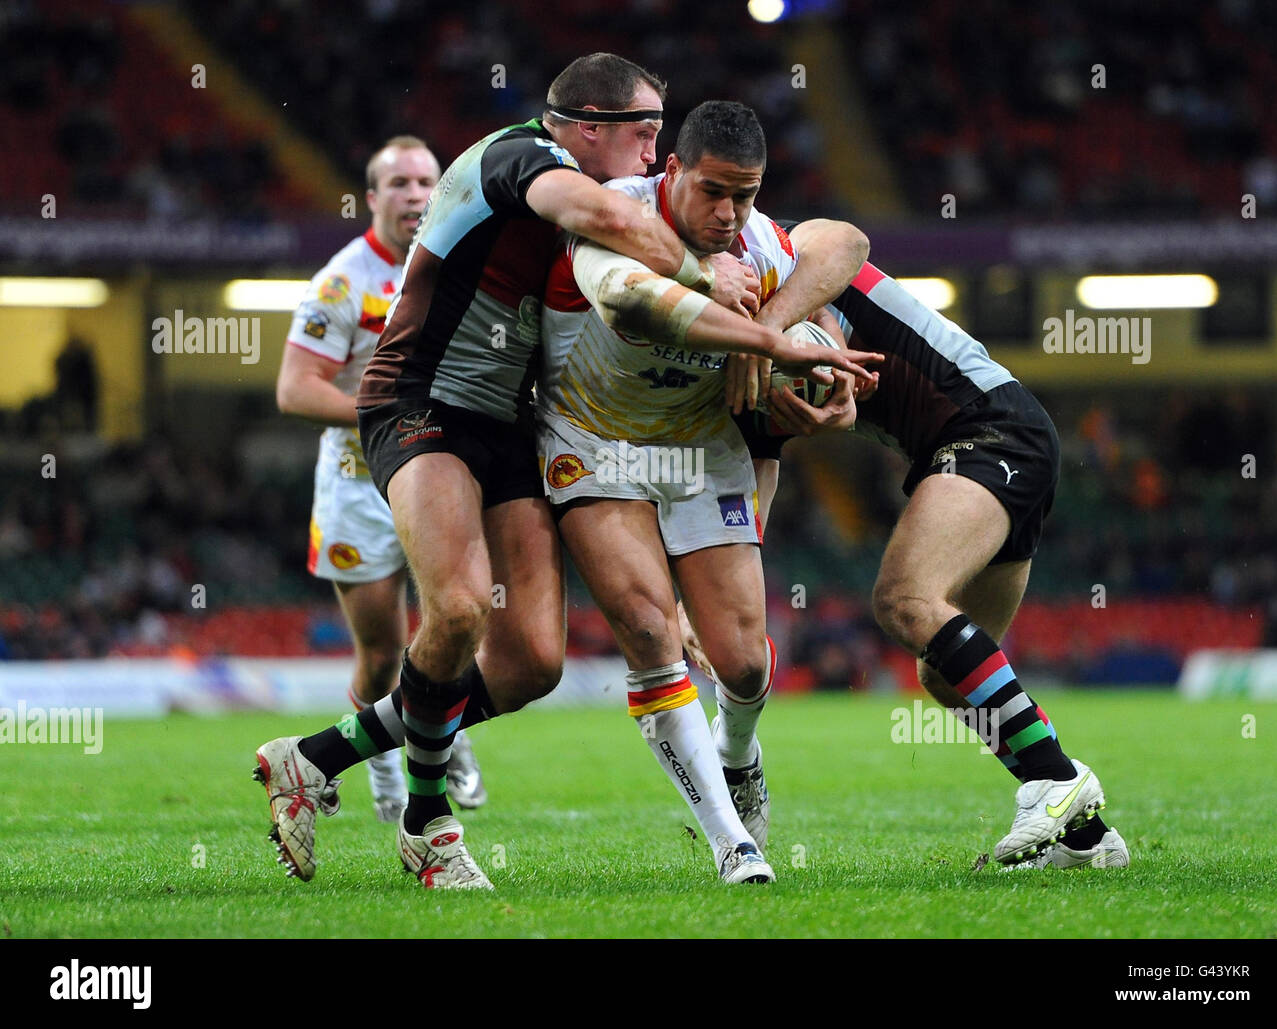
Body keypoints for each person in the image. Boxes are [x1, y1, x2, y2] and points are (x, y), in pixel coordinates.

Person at [253, 53, 860, 890]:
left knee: (532, 660)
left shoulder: (653, 203)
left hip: (509, 417)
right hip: (422, 396)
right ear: (586, 126)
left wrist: (795, 348)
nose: (651, 156)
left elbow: (836, 241)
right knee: (460, 606)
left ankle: (316, 756)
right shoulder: (519, 156)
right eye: (643, 135)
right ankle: (430, 822)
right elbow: (593, 216)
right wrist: (701, 275)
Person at [537, 100, 873, 883]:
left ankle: (738, 752)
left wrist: (813, 357)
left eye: (746, 196)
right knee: (652, 634)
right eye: (713, 192)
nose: (729, 215)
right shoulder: (614, 211)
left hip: (699, 448)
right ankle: (734, 844)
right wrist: (759, 337)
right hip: (593, 444)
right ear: (672, 171)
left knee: (744, 665)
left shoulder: (756, 243)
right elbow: (624, 296)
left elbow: (846, 247)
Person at [725, 256, 1129, 869]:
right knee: (944, 673)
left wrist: (774, 331)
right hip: (988, 446)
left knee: (904, 601)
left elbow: (845, 236)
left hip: (991, 428)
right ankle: (1087, 839)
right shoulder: (739, 367)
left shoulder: (784, 257)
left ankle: (1052, 778)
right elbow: (758, 484)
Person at [267, 136, 486, 833]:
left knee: (456, 617)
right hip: (358, 485)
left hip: (433, 471)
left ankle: (446, 734)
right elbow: (295, 389)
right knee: (383, 651)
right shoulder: (342, 281)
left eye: (426, 181)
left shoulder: (462, 265)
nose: (415, 194)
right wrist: (388, 411)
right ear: (372, 197)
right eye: (398, 183)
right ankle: (389, 774)